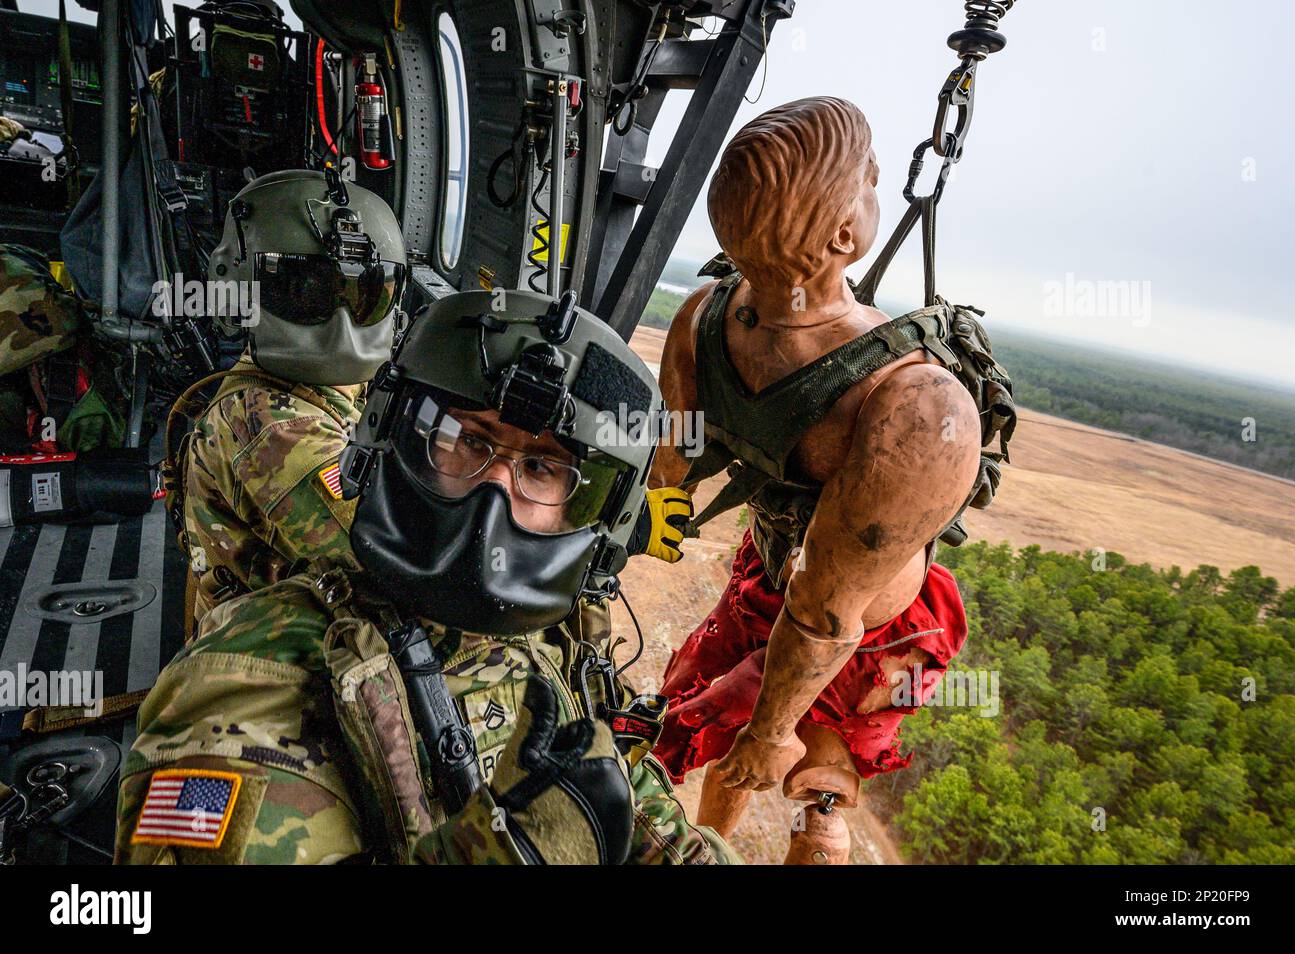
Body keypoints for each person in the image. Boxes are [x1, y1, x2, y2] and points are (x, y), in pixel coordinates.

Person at [116, 288, 735, 864]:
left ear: (594, 513)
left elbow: (646, 819)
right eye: (467, 440)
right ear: (396, 440)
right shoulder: (251, 676)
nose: (493, 492)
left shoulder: (557, 639)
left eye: (544, 468)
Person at [650, 97, 985, 864]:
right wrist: (772, 734)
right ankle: (735, 837)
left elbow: (673, 465)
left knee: (786, 767)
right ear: (842, 233)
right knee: (810, 773)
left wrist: (660, 528)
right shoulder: (916, 401)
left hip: (803, 592)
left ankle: (735, 832)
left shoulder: (704, 316)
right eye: (870, 182)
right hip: (858, 622)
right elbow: (827, 609)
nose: (879, 192)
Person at [169, 168, 407, 624]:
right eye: (306, 292)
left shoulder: (321, 389)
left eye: (364, 293)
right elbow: (391, 566)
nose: (340, 325)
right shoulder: (269, 425)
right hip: (268, 660)